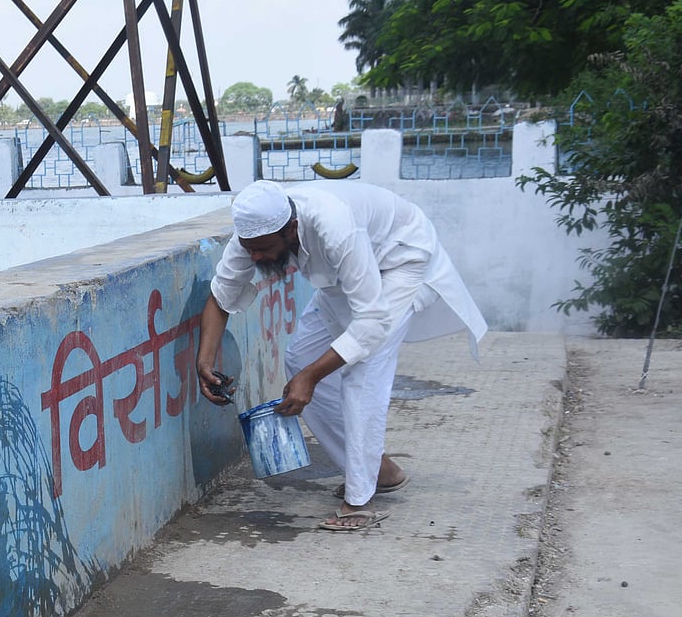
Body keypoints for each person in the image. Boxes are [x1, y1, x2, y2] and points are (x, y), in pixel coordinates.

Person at [196, 179, 487, 531]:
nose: (255, 257)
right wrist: (205, 362)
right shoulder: (254, 233)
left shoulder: (335, 226)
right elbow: (220, 297)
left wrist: (312, 377)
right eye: (249, 249)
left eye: (262, 249)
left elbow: (372, 320)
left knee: (361, 373)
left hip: (399, 262)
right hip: (345, 280)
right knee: (299, 358)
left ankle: (359, 502)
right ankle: (377, 470)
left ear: (291, 228)